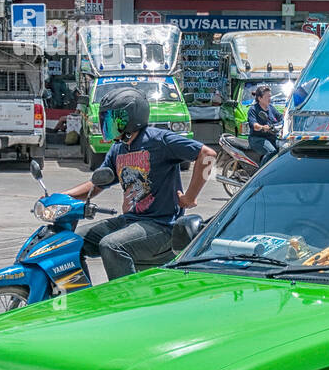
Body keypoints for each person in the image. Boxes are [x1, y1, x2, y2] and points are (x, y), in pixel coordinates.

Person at [64, 86, 217, 280]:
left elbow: (207, 155)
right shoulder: (118, 149)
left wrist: (190, 197)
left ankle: (125, 302)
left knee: (112, 245)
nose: (107, 125)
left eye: (112, 119)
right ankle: (81, 299)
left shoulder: (158, 140)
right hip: (131, 221)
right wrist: (62, 197)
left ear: (130, 119)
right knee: (71, 242)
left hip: (162, 225)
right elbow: (96, 185)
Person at [247, 84, 283, 166]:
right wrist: (263, 127)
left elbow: (281, 117)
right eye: (267, 97)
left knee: (284, 149)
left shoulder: (271, 108)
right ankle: (260, 175)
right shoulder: (253, 109)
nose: (270, 99)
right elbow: (255, 125)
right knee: (271, 151)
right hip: (257, 138)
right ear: (260, 98)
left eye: (270, 96)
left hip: (271, 137)